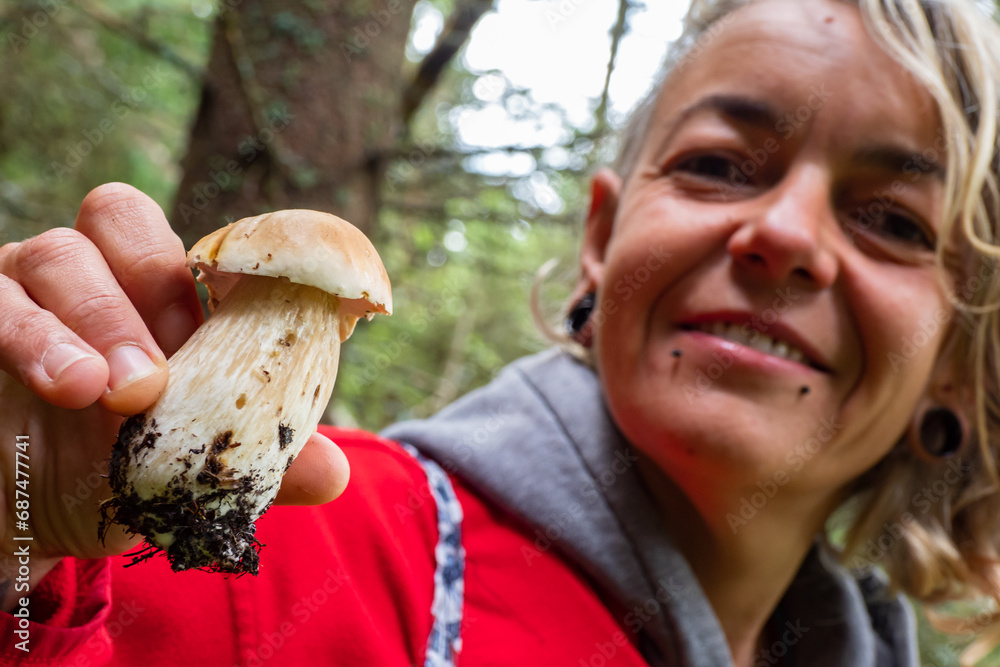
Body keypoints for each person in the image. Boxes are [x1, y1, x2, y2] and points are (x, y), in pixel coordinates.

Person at [2, 0, 1000, 665]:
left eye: (894, 221)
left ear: (961, 359)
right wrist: (14, 532)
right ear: (600, 242)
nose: (781, 235)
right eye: (720, 165)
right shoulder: (286, 550)